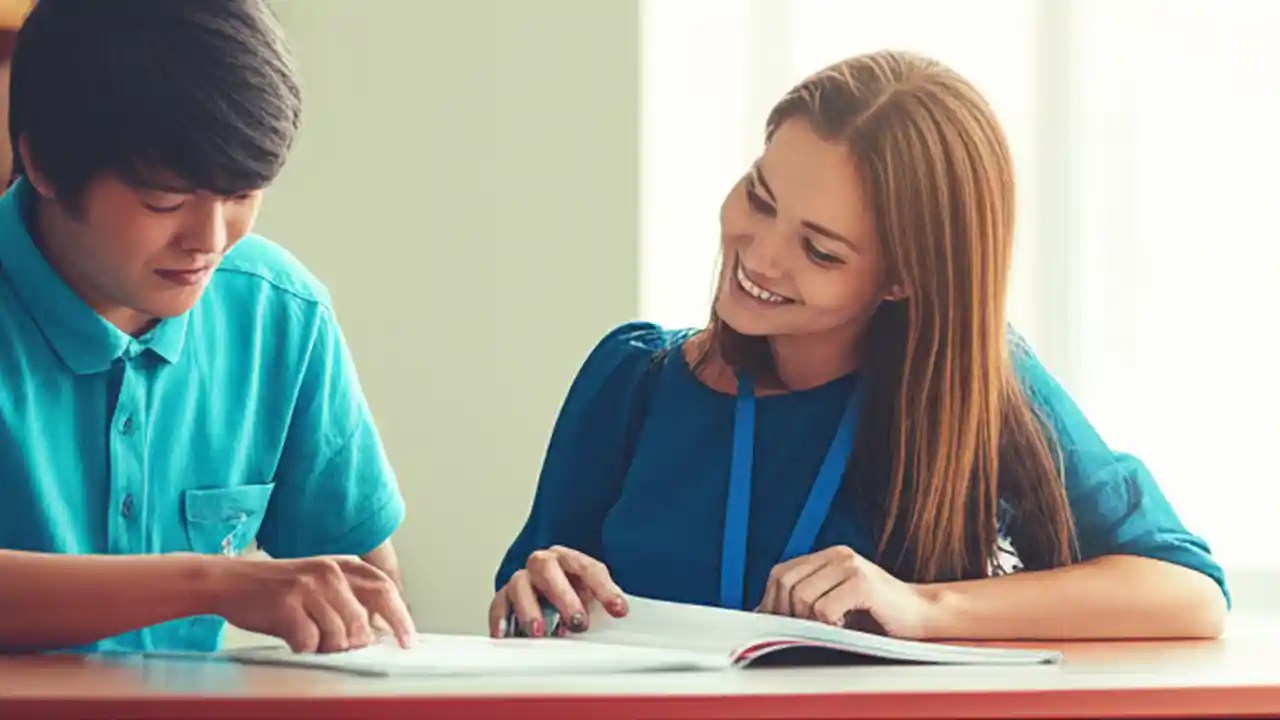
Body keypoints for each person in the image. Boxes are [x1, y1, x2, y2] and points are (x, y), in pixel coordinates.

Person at [492, 50, 1228, 642]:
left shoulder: (981, 390)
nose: (761, 256)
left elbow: (1186, 592)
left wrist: (921, 608)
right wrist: (533, 592)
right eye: (760, 196)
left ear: (902, 279)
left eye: (819, 250)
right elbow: (521, 608)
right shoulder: (632, 379)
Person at [0, 0, 413, 654]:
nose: (210, 241)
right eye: (164, 201)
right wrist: (209, 583)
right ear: (45, 163)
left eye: (242, 195)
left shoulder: (279, 312)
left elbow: (365, 593)